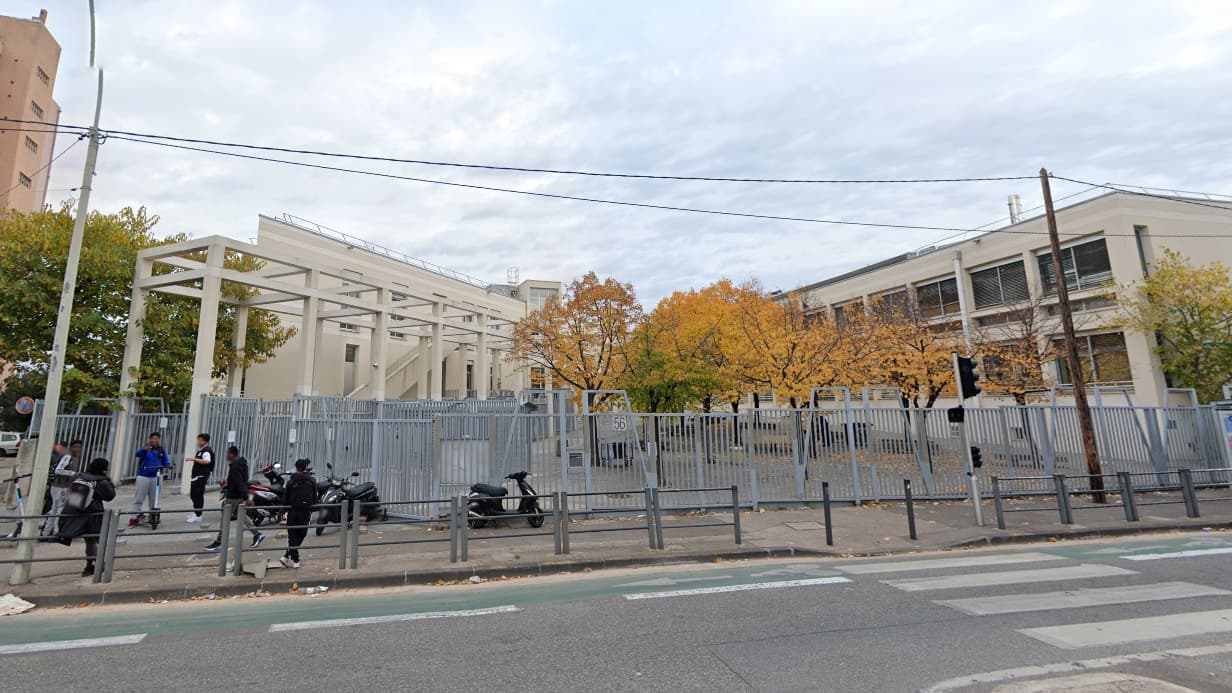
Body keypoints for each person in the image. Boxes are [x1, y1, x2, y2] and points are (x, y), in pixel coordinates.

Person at [57, 457, 116, 577]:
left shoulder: (79, 477)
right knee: (94, 540)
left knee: (89, 540)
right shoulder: (101, 481)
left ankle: (90, 566)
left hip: (76, 512)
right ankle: (97, 565)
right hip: (93, 514)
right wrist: (108, 480)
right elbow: (110, 496)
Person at [203, 446, 265, 552]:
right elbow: (240, 480)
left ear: (232, 454)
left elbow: (239, 482)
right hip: (239, 495)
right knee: (242, 515)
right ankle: (257, 534)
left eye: (227, 453)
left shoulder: (235, 467)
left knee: (225, 518)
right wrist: (229, 483)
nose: (226, 456)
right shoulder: (241, 464)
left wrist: (246, 497)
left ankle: (219, 542)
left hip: (234, 497)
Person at [129, 432, 171, 529]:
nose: (154, 440)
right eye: (153, 438)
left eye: (156, 438)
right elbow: (137, 454)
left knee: (154, 499)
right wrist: (144, 449)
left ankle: (153, 517)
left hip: (156, 476)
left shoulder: (162, 450)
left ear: (159, 439)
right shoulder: (146, 448)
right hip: (143, 476)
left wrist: (169, 465)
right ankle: (134, 518)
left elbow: (166, 461)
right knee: (139, 498)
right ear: (150, 439)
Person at [43, 439, 84, 536]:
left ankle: (47, 532)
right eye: (75, 447)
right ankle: (55, 531)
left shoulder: (74, 458)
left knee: (55, 508)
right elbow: (58, 470)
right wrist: (73, 474)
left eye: (79, 447)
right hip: (59, 486)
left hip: (64, 486)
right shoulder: (68, 457)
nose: (77, 449)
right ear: (71, 447)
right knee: (58, 509)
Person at [280, 458, 316, 569]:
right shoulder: (311, 480)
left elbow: (286, 498)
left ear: (296, 467)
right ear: (306, 468)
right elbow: (315, 497)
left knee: (292, 536)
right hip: (305, 512)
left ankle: (288, 556)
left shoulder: (290, 481)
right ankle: (294, 559)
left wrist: (282, 511)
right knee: (301, 534)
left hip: (292, 511)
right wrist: (313, 507)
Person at [184, 433, 215, 524]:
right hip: (196, 476)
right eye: (198, 440)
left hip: (201, 477)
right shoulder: (201, 450)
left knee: (198, 495)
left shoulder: (206, 451)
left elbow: (206, 461)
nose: (198, 441)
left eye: (200, 440)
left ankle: (198, 515)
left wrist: (193, 459)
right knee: (193, 495)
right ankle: (196, 512)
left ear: (205, 441)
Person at [38, 440, 67, 532]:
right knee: (53, 506)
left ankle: (47, 528)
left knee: (52, 506)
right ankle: (49, 528)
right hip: (53, 484)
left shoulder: (58, 456)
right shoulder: (55, 457)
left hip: (53, 485)